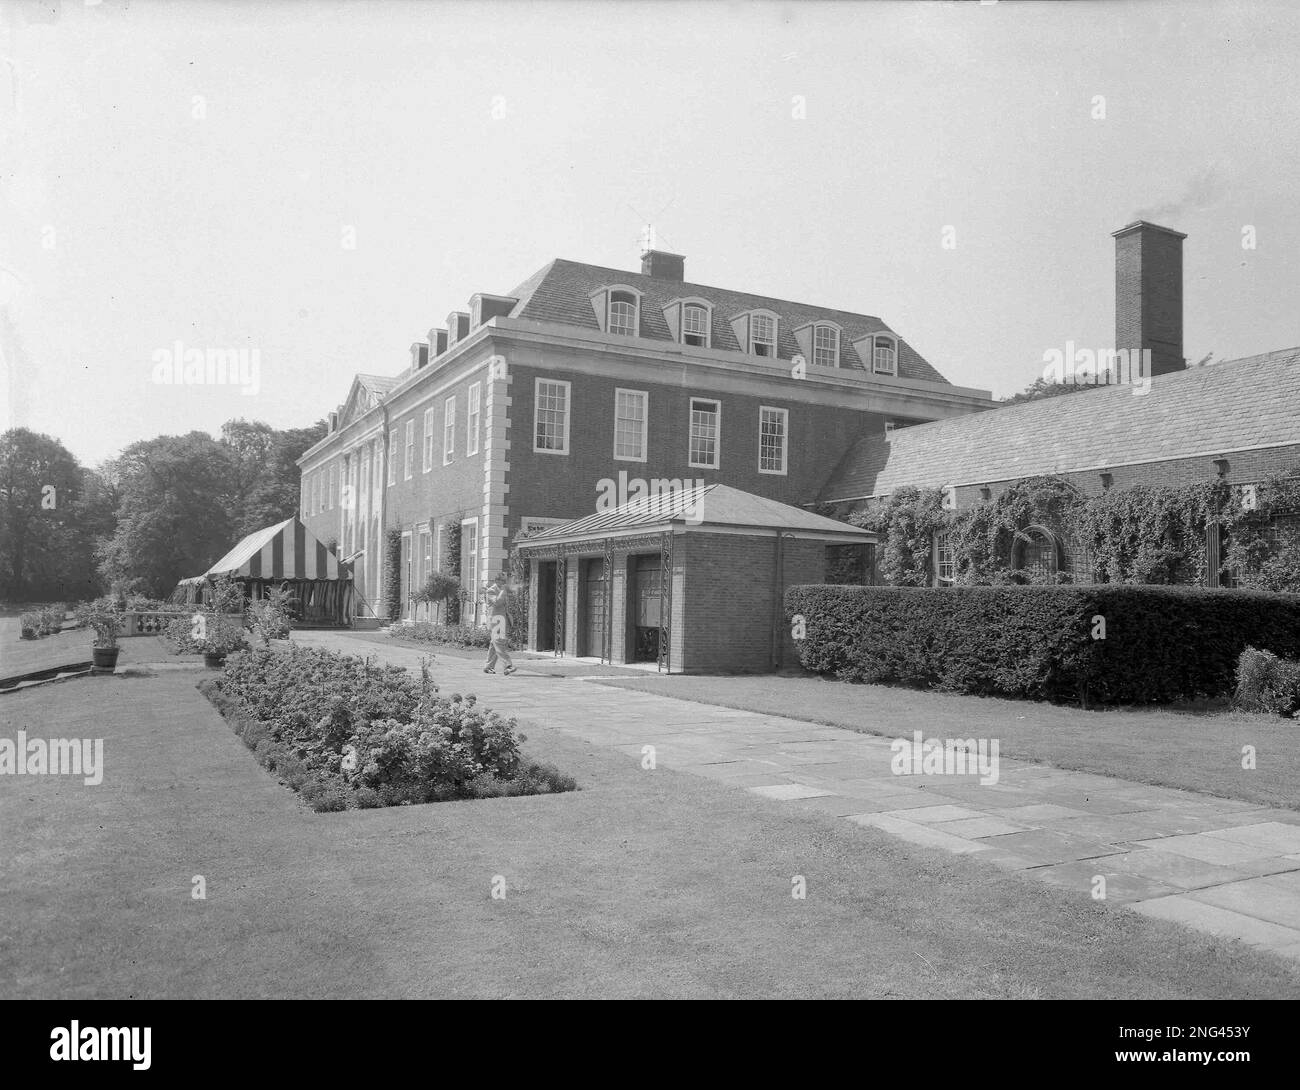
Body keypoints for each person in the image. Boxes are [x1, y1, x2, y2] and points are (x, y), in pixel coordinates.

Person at [482, 576, 516, 676]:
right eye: (502, 581)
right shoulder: (491, 591)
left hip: (501, 620)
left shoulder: (501, 590)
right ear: (497, 581)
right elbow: (497, 602)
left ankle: (488, 667)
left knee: (494, 644)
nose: (504, 583)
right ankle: (508, 666)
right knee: (499, 643)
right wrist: (503, 591)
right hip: (496, 621)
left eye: (504, 582)